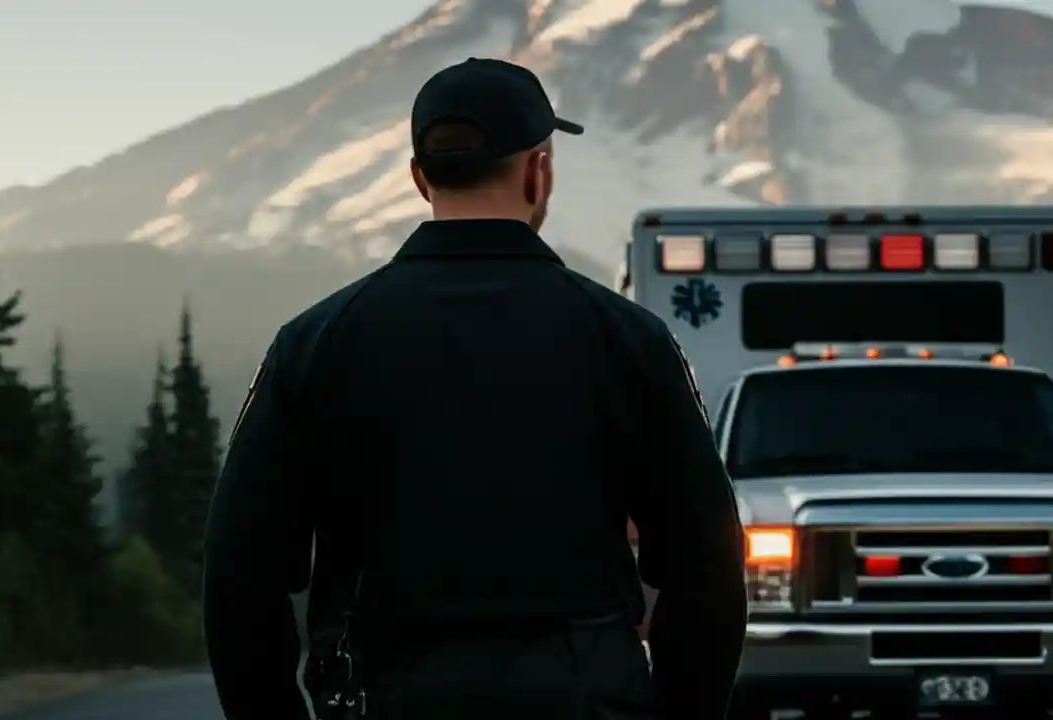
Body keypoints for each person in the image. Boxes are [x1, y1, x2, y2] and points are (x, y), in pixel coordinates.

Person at [202, 57, 747, 720]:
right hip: (584, 696)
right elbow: (708, 565)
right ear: (538, 170)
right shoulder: (628, 340)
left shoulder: (317, 342)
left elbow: (240, 572)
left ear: (419, 177)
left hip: (378, 693)